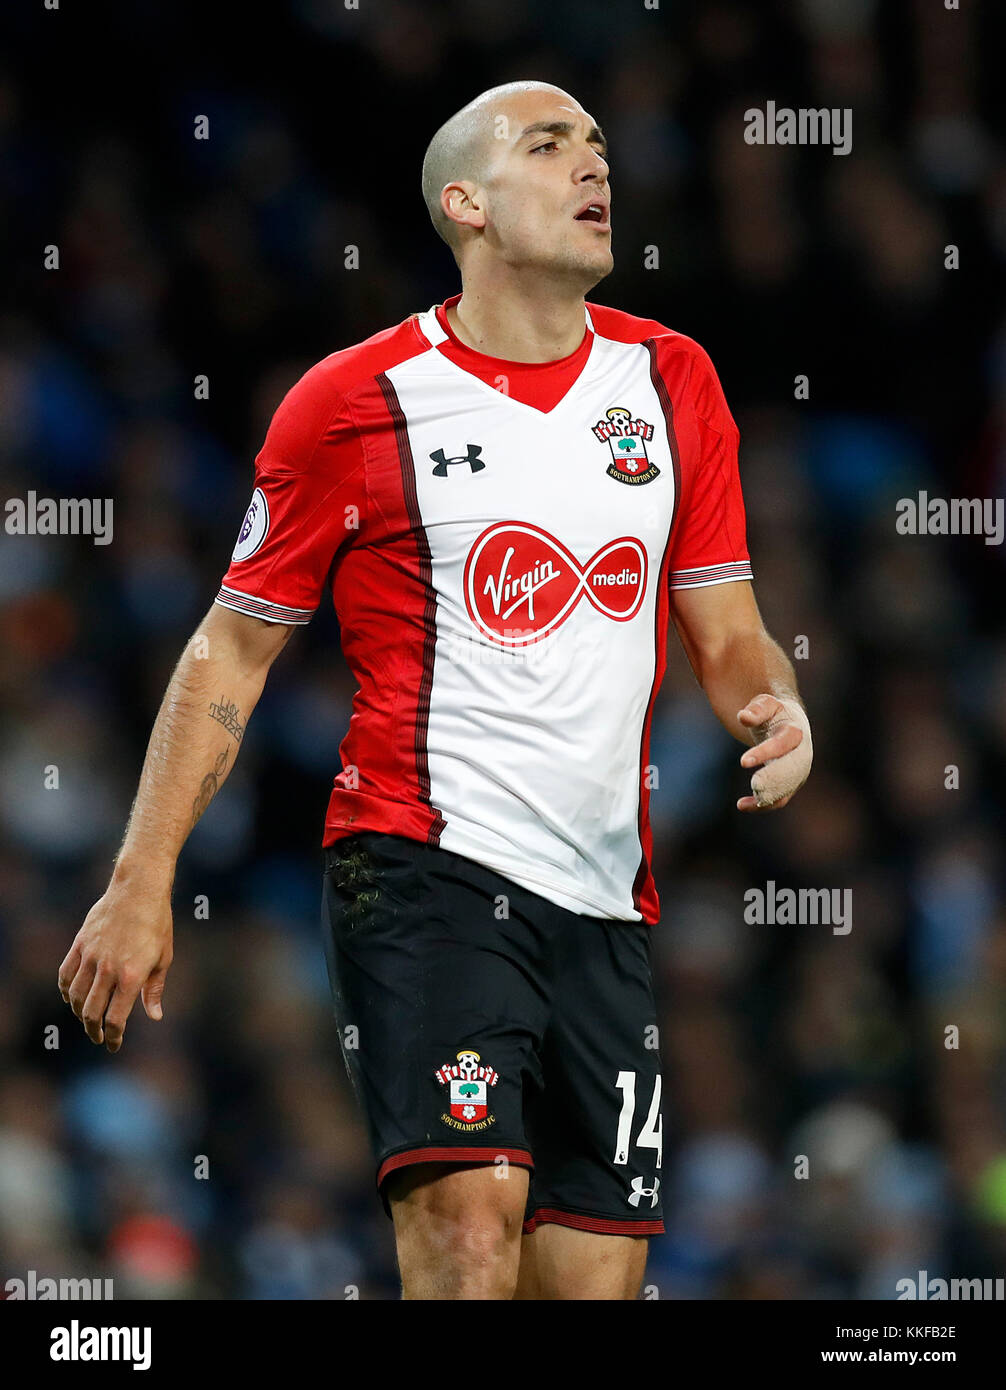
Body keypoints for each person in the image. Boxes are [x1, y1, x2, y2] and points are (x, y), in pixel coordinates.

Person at [58, 80, 813, 1300]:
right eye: (550, 145)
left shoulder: (674, 383)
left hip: (606, 898)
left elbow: (729, 633)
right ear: (464, 202)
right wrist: (142, 883)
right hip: (421, 865)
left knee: (585, 1284)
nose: (592, 168)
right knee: (469, 1228)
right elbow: (228, 653)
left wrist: (775, 705)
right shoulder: (354, 402)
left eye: (599, 147)